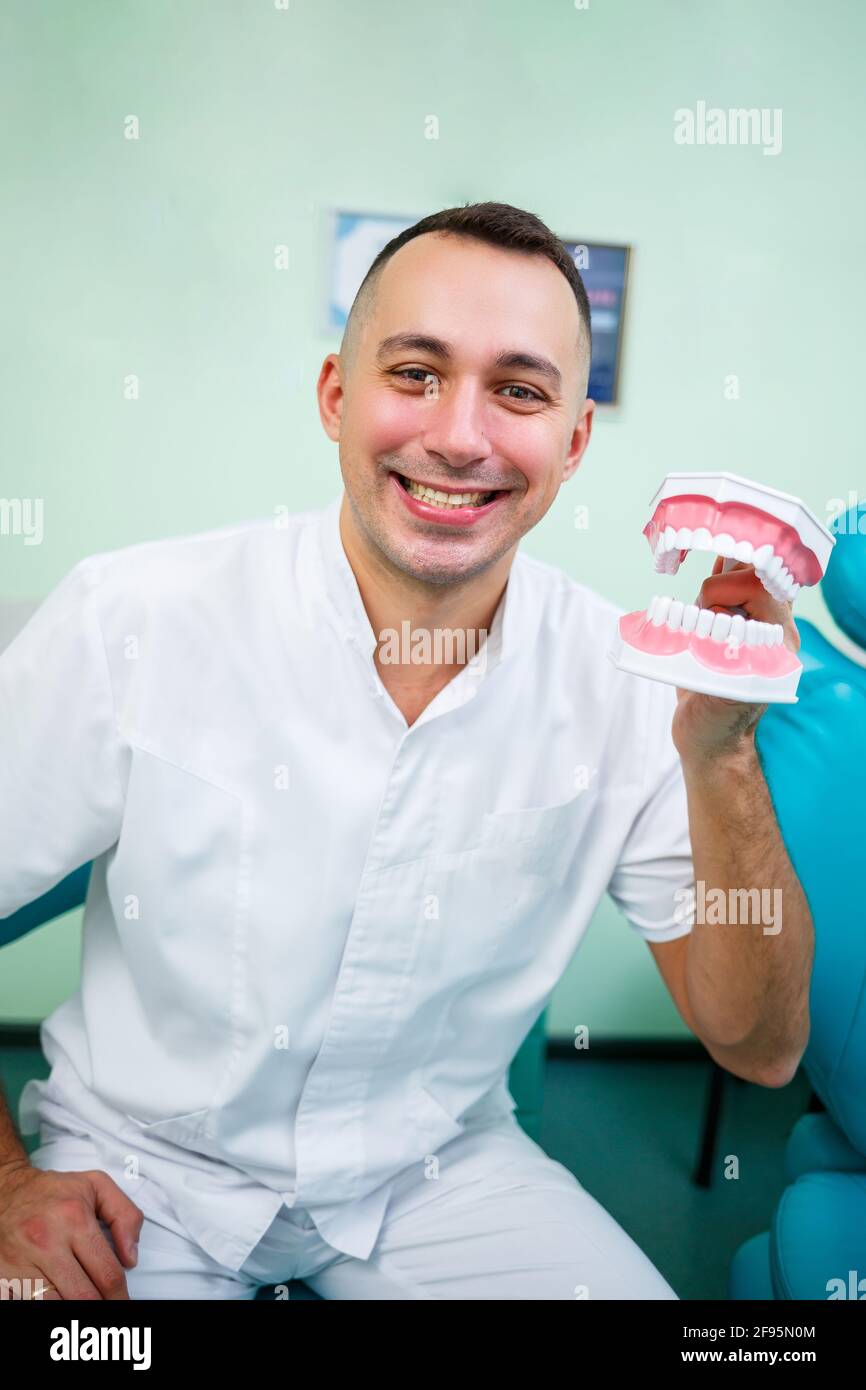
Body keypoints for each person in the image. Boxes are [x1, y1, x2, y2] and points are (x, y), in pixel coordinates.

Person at [0, 202, 812, 1300]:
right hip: (136, 1177)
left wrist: (720, 753)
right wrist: (7, 1186)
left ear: (571, 443)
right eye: (415, 372)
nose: (460, 436)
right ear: (336, 395)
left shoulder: (619, 684)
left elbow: (757, 1047)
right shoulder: (133, 615)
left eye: (518, 390)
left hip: (436, 1183)